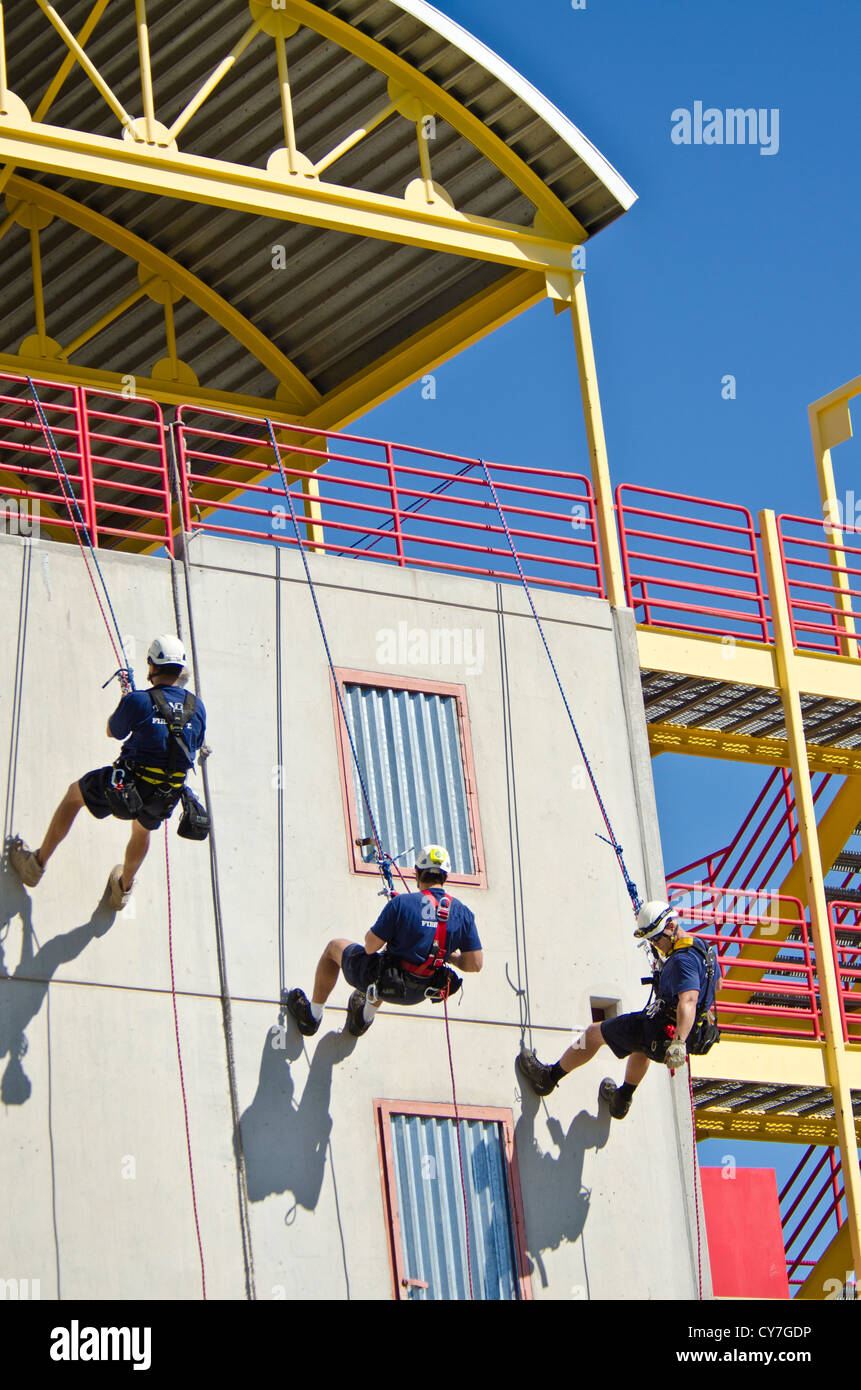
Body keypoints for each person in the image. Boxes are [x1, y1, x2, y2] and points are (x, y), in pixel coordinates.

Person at [8, 635, 206, 911]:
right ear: (180, 669)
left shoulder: (138, 701)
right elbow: (189, 744)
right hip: (165, 794)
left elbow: (112, 731)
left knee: (73, 796)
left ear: (152, 666)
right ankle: (122, 890)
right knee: (141, 831)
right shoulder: (197, 708)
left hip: (126, 788)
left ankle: (35, 865)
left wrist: (127, 704)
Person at [516, 901, 712, 1119]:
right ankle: (621, 1099)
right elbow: (715, 987)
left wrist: (679, 1042)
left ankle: (548, 1078)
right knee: (641, 1048)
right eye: (651, 940)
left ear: (670, 926)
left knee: (592, 1034)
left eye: (656, 939)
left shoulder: (682, 961)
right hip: (692, 1032)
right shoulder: (701, 948)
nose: (656, 945)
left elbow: (689, 1000)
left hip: (665, 1032)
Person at [285, 844, 483, 1038]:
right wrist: (450, 956)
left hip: (389, 983)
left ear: (417, 872)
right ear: (445, 876)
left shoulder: (403, 904)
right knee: (387, 965)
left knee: (335, 948)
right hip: (421, 992)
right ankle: (362, 1020)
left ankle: (311, 1016)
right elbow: (475, 964)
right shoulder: (463, 914)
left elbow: (370, 947)